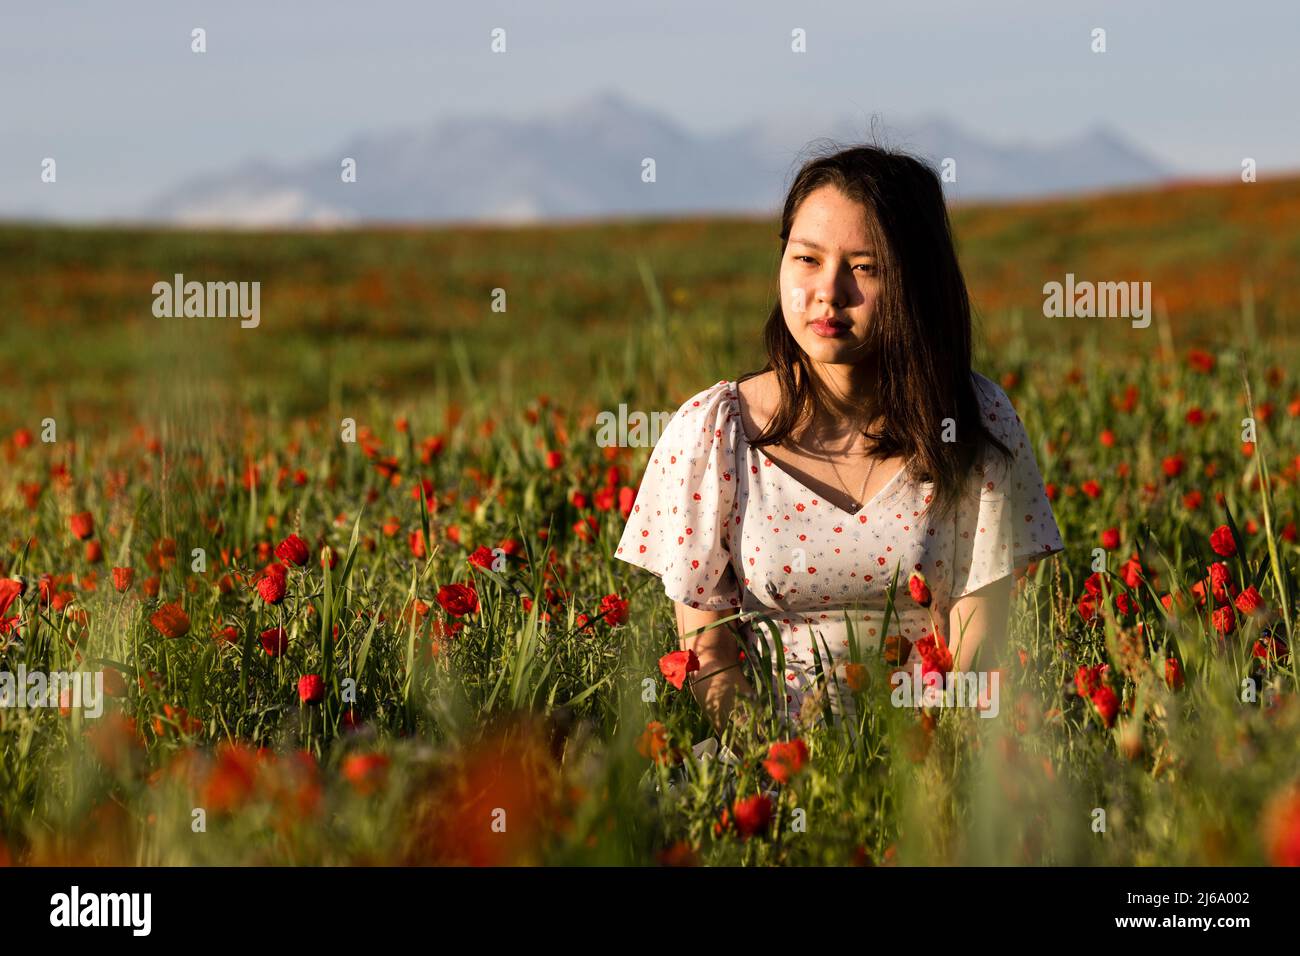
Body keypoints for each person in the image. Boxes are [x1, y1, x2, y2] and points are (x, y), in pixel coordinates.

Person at [614, 143, 1065, 739]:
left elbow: (975, 643)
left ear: (917, 280)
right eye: (806, 259)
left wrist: (919, 770)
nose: (829, 291)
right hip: (764, 759)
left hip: (930, 753)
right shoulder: (713, 433)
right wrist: (772, 764)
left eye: (865, 267)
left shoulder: (974, 421)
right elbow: (707, 651)